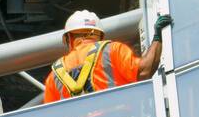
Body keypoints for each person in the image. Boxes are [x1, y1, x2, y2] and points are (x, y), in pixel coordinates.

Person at [43, 10, 173, 103]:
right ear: (99, 36)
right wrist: (157, 37)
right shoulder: (113, 50)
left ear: (68, 38)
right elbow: (145, 71)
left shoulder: (54, 77)